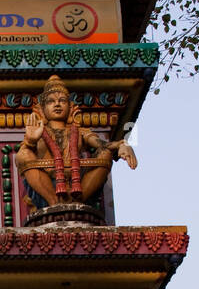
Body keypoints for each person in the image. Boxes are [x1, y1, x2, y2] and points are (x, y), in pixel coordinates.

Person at [15, 74, 137, 209]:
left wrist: (121, 144)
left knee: (105, 153)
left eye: (62, 101)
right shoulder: (38, 132)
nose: (57, 104)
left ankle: (78, 202)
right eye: (51, 101)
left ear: (71, 107)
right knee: (23, 154)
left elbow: (100, 144)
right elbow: (20, 158)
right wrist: (31, 141)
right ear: (42, 109)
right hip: (48, 184)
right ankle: (54, 202)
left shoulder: (79, 131)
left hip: (79, 185)